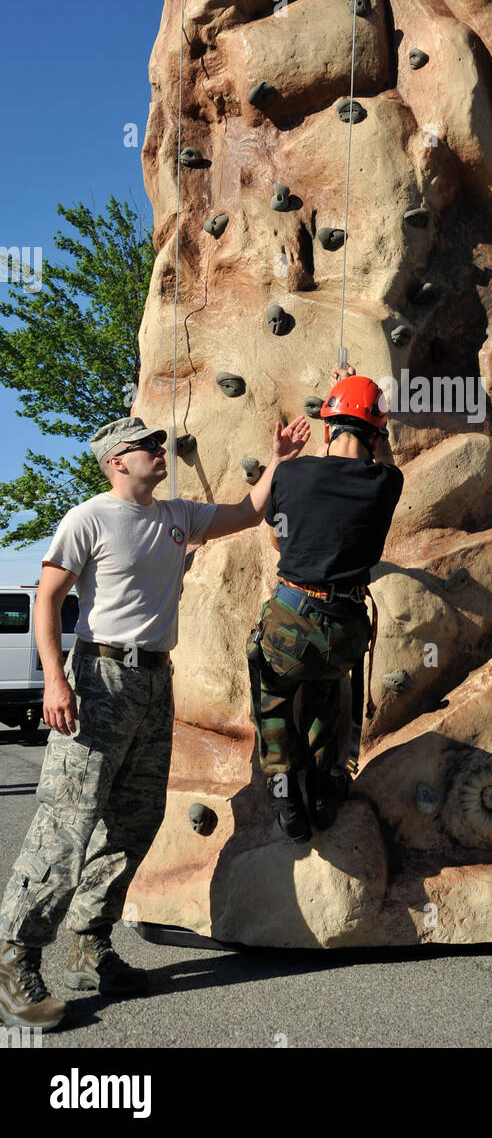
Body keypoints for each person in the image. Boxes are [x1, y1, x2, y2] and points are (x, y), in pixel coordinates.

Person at [0, 411, 309, 1032]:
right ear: (118, 461)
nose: (158, 451)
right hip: (99, 677)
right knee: (68, 821)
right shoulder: (89, 517)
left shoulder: (177, 517)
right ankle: (15, 957)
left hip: (152, 681)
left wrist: (277, 457)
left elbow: (248, 512)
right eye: (145, 447)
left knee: (134, 821)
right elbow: (49, 599)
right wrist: (55, 680)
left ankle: (90, 948)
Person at [249, 364, 404, 845]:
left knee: (273, 698)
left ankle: (283, 792)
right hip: (347, 627)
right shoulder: (387, 484)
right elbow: (364, 460)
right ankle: (319, 790)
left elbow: (278, 540)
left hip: (294, 617)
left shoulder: (292, 473)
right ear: (378, 436)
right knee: (322, 699)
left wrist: (291, 455)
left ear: (326, 427)